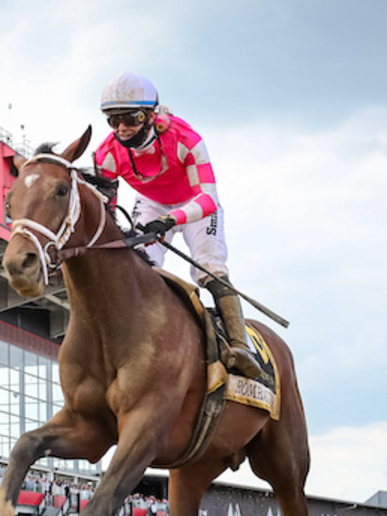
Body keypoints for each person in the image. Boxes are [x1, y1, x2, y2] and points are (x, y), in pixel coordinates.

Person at [93, 72, 261, 379]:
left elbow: (208, 199)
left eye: (129, 118)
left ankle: (240, 346)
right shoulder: (106, 155)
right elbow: (109, 212)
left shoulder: (186, 139)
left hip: (196, 203)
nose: (121, 128)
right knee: (139, 265)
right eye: (113, 120)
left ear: (150, 115)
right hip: (151, 203)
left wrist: (171, 220)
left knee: (209, 268)